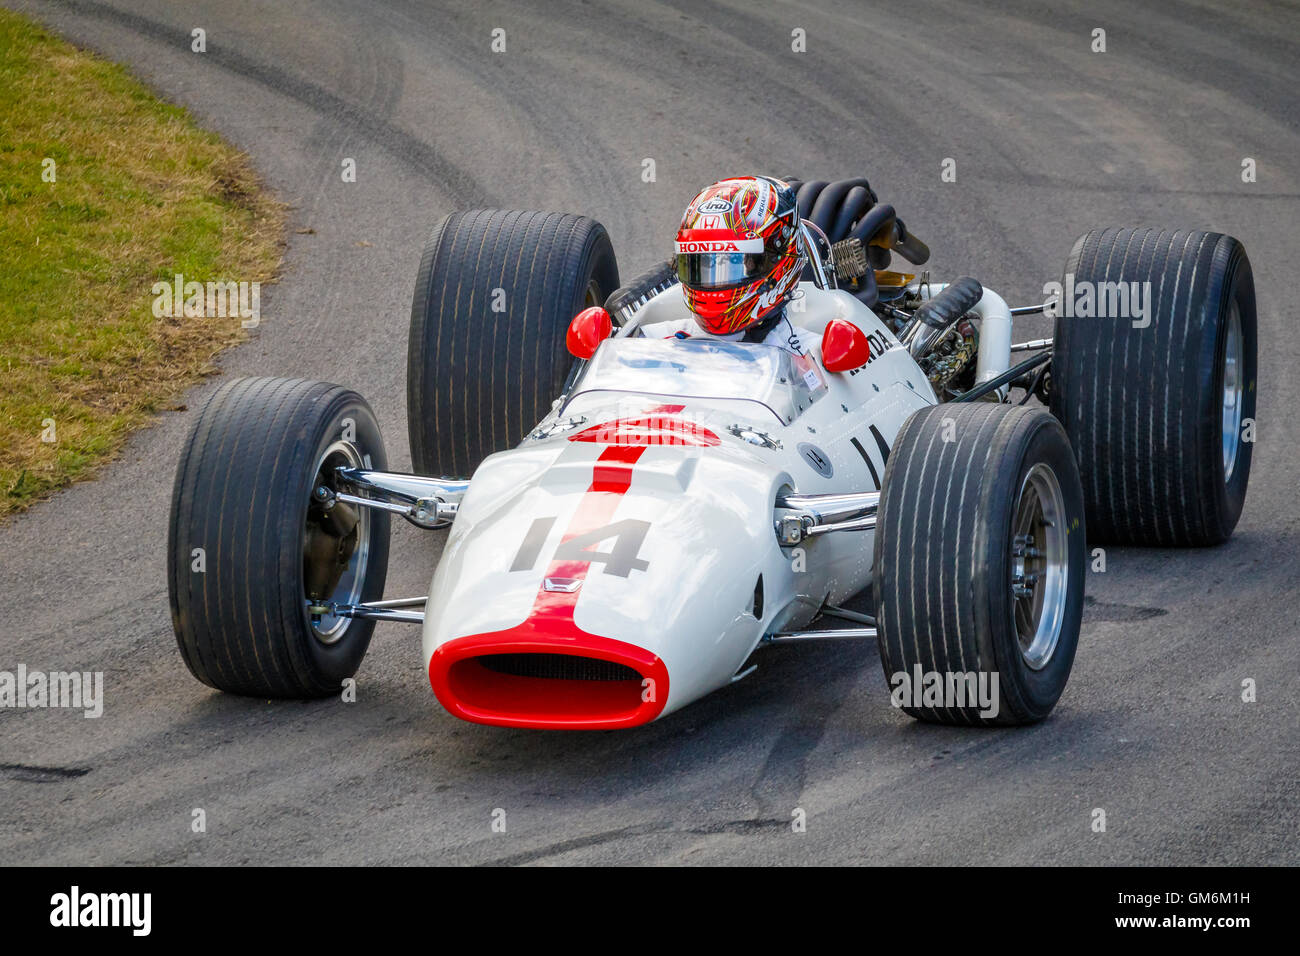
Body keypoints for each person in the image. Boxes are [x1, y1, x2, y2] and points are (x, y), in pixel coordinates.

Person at [665, 175, 813, 357]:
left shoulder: (811, 352)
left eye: (732, 262)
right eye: (701, 264)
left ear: (778, 260)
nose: (713, 282)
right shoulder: (653, 338)